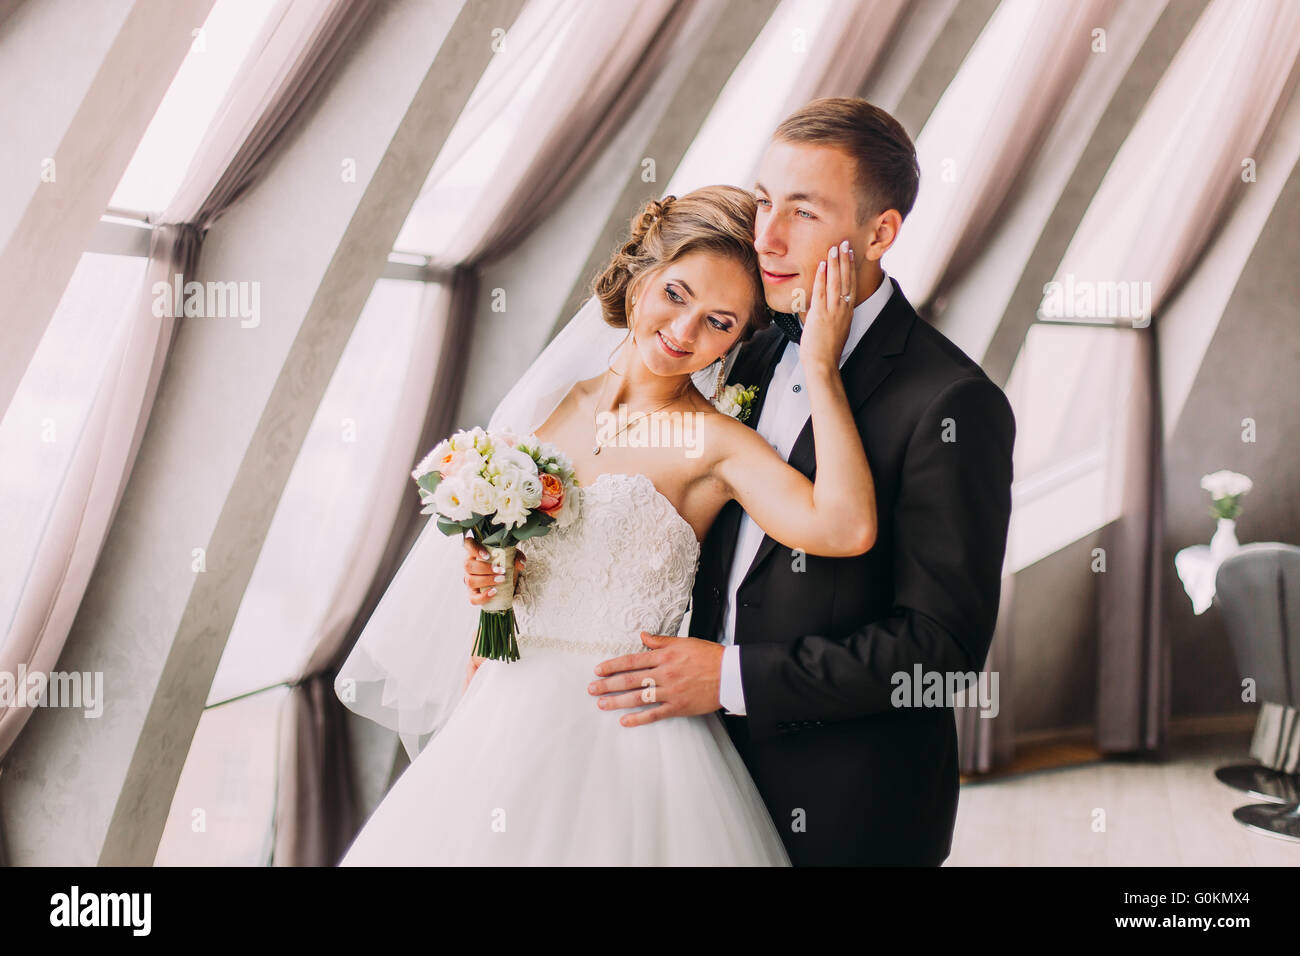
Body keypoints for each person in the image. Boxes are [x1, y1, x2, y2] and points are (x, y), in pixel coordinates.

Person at [336, 183, 877, 865]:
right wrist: (495, 579)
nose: (684, 333)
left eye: (720, 322)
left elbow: (844, 527)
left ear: (741, 336)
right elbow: (517, 587)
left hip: (625, 736)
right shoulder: (555, 405)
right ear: (641, 276)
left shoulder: (712, 442)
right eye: (677, 295)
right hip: (499, 720)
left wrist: (822, 371)